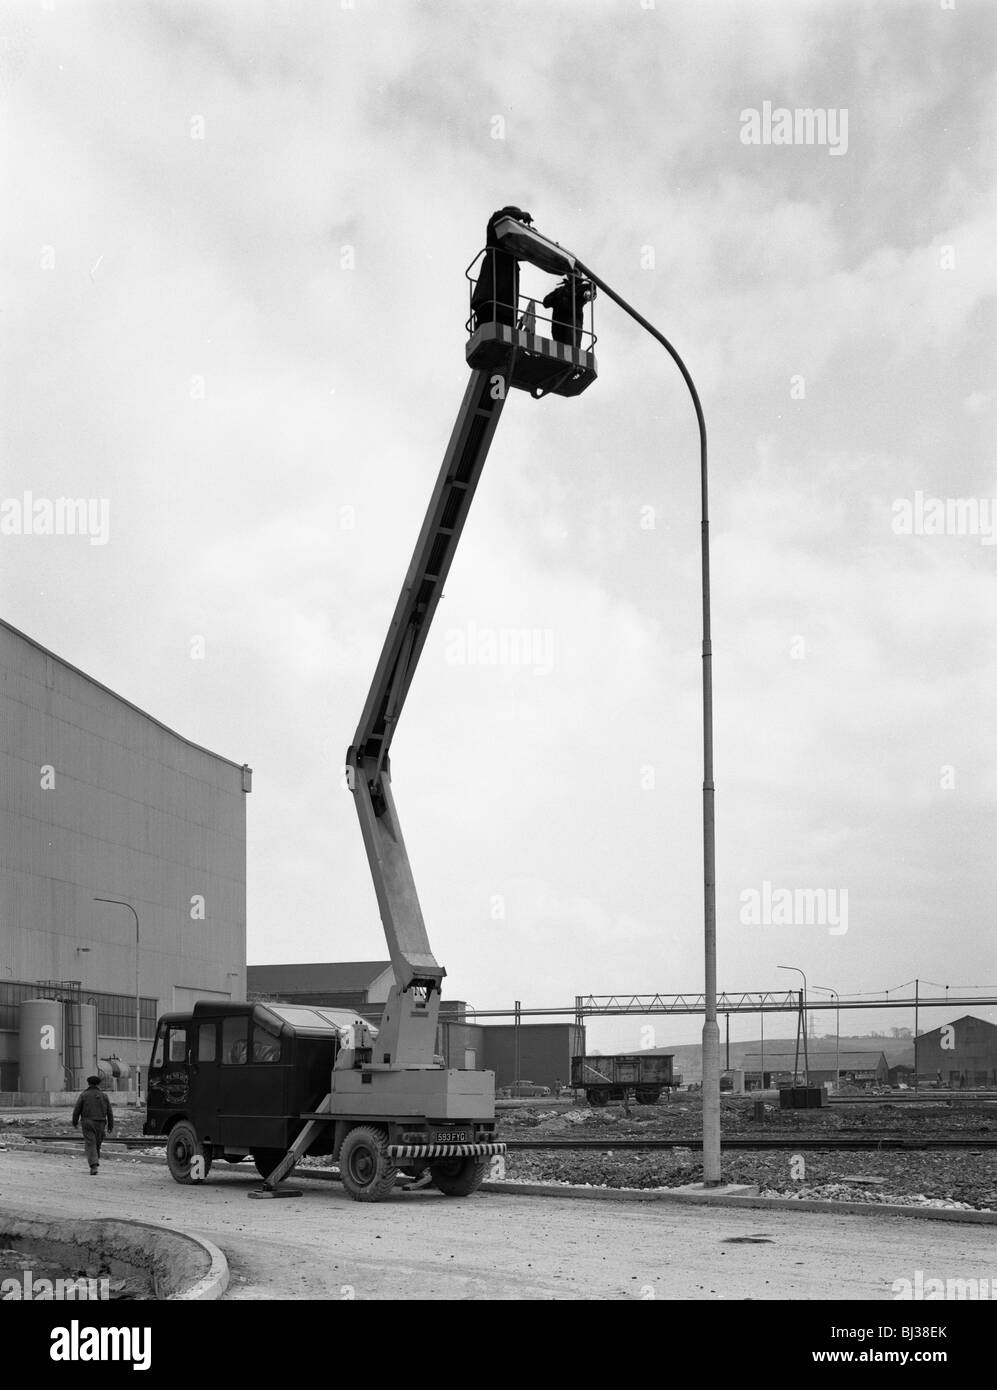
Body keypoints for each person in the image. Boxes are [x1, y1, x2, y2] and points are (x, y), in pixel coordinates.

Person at [471, 205, 533, 330]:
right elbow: (499, 216)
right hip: (491, 296)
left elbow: (528, 253)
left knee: (503, 316)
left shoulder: (511, 248)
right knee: (489, 311)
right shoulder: (498, 221)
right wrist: (522, 215)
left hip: (506, 306)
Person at [72, 1074, 114, 1175]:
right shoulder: (104, 1096)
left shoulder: (84, 1095)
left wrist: (75, 1122)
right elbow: (110, 1112)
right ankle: (94, 1163)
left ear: (88, 1083)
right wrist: (110, 1125)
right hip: (101, 1123)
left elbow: (77, 1109)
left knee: (91, 1144)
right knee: (97, 1144)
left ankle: (94, 1165)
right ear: (98, 1084)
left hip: (88, 1122)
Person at [542, 275, 595, 348]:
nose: (573, 274)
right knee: (559, 347)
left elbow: (591, 295)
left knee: (572, 347)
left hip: (572, 323)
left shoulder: (582, 288)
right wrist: (558, 300)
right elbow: (546, 302)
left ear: (580, 274)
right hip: (558, 323)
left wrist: (592, 287)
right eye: (571, 272)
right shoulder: (559, 290)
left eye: (576, 272)